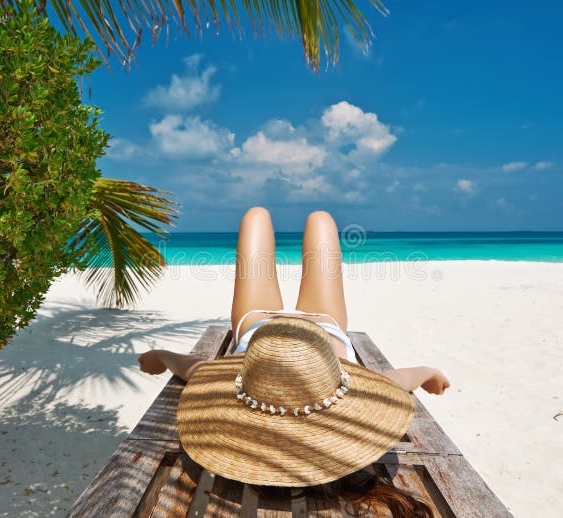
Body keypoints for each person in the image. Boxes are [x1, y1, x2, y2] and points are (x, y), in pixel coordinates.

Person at [138, 207, 449, 516]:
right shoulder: (309, 391)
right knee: (309, 219)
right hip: (284, 324)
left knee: (278, 218)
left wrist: (424, 374)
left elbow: (194, 370)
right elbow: (389, 384)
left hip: (289, 325)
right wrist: (162, 356)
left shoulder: (327, 396)